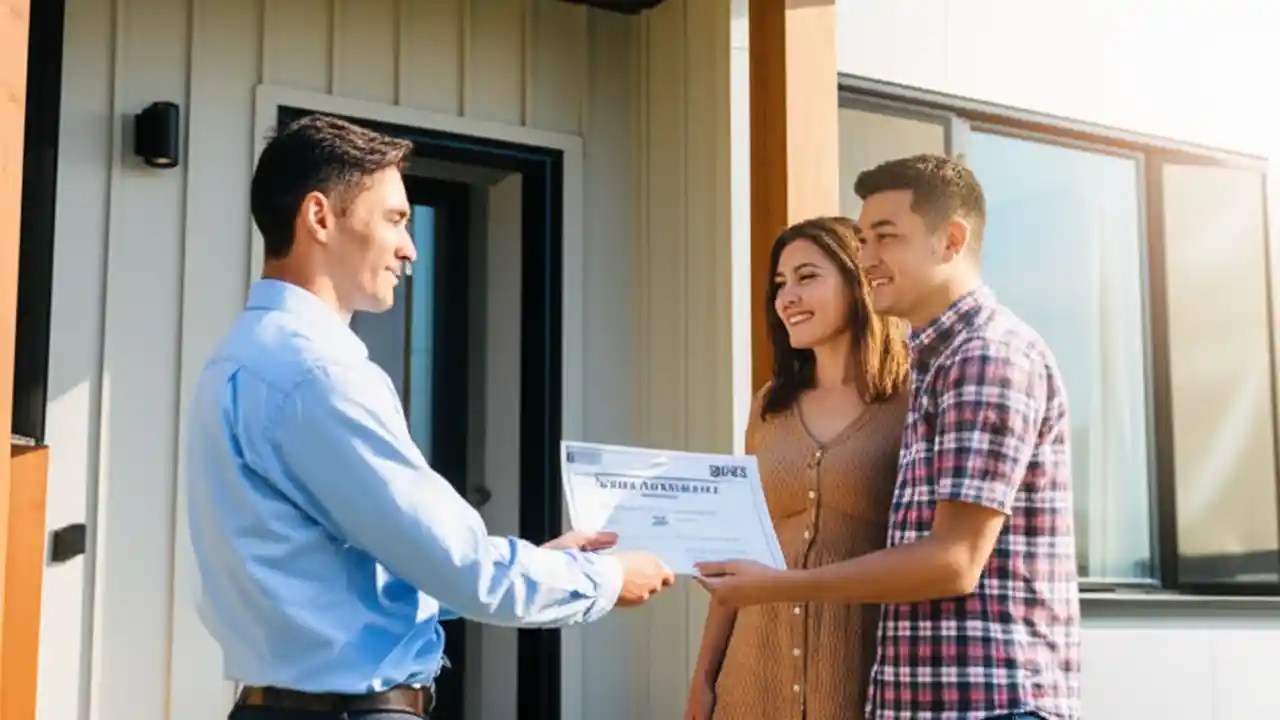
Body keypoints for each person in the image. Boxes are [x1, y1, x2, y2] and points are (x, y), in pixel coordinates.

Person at [184, 114, 674, 720]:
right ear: (319, 216)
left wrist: (549, 562)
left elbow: (353, 577)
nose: (410, 247)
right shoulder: (319, 374)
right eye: (395, 219)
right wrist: (602, 580)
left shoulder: (237, 360)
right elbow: (467, 570)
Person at [695, 154, 1081, 720]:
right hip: (917, 698)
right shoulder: (937, 364)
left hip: (983, 703)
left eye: (885, 238)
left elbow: (953, 562)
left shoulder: (984, 359)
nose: (868, 257)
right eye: (864, 241)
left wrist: (780, 586)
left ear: (950, 241)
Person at [683, 216, 910, 720]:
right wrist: (703, 677)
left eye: (808, 277)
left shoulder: (914, 401)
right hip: (751, 676)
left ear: (858, 280)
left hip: (862, 680)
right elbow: (737, 551)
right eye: (780, 284)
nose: (787, 297)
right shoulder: (770, 407)